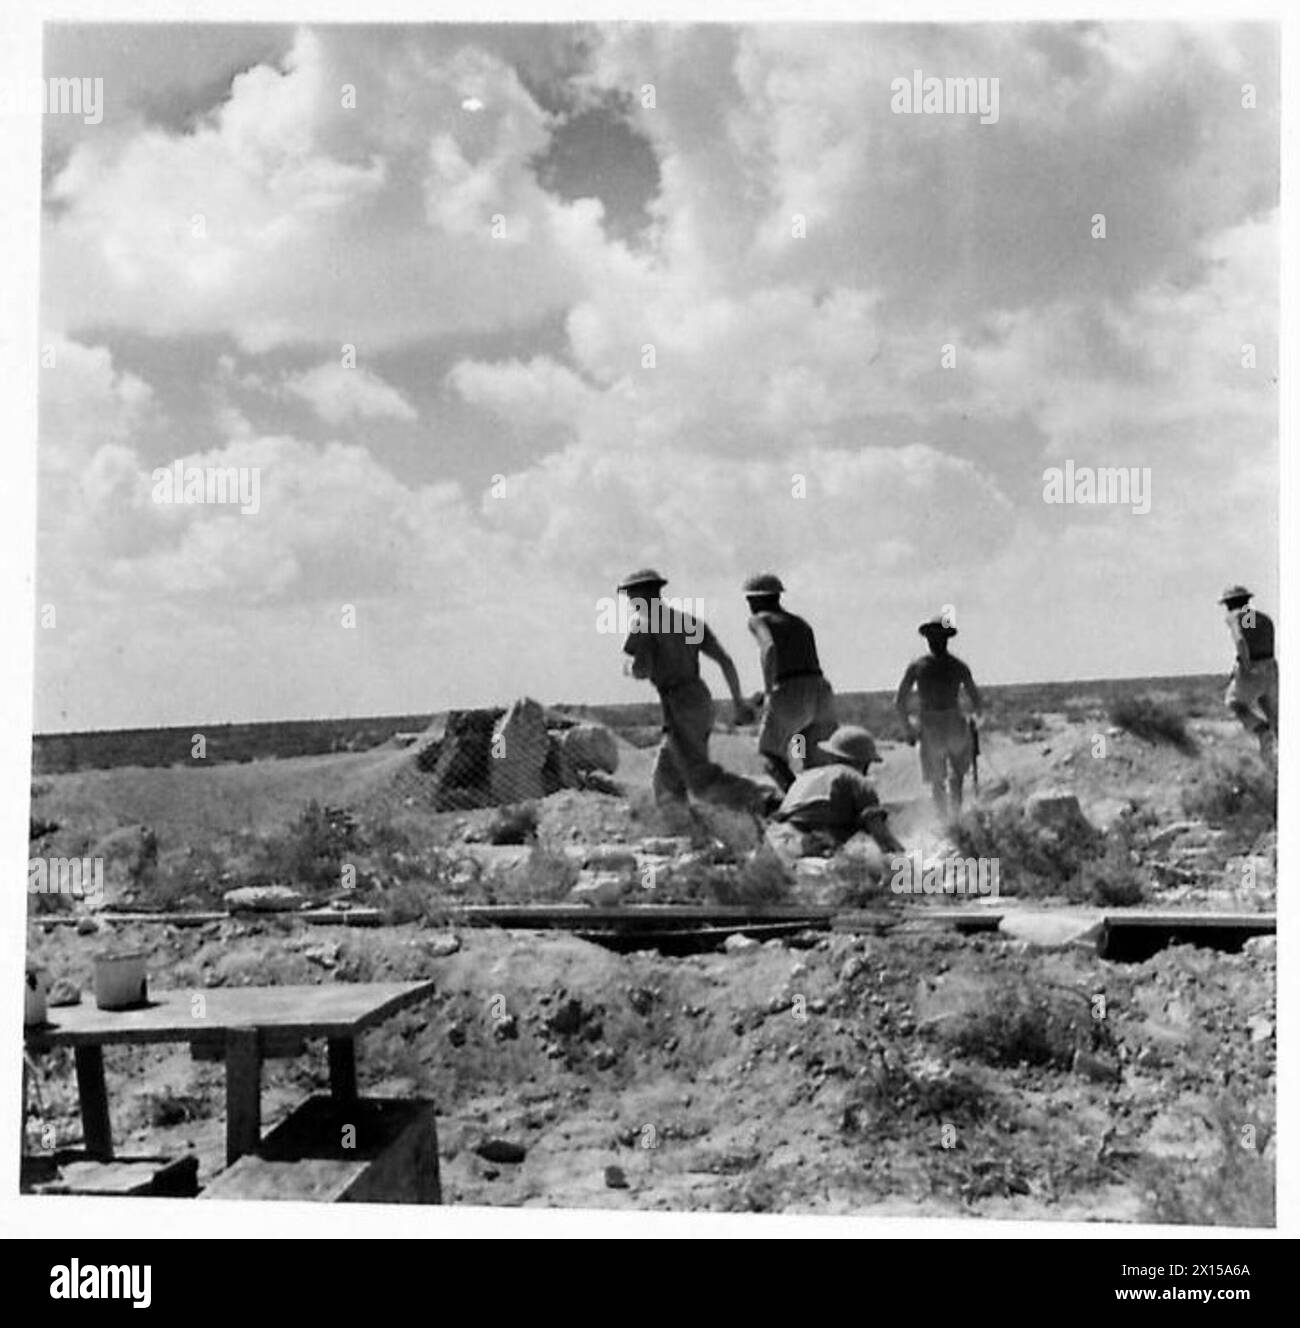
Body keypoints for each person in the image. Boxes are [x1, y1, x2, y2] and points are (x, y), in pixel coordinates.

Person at [618, 568, 768, 812]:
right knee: (669, 775)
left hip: (678, 703)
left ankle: (758, 797)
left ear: (640, 595)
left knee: (695, 778)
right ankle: (686, 831)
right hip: (699, 699)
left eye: (630, 596)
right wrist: (738, 702)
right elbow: (725, 661)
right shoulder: (687, 623)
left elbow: (642, 669)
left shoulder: (645, 625)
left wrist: (628, 668)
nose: (629, 602)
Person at [742, 573, 838, 793]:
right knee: (813, 758)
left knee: (769, 754)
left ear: (755, 600)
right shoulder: (800, 623)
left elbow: (770, 648)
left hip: (791, 691)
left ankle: (795, 798)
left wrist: (768, 693)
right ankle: (827, 804)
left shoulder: (759, 619)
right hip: (821, 690)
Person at [767, 725, 903, 863]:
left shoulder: (807, 776)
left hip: (775, 840)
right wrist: (906, 862)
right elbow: (883, 838)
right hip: (808, 847)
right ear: (865, 762)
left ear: (832, 756)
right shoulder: (857, 781)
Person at [895, 614, 983, 821]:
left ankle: (948, 821)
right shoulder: (956, 666)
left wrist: (908, 729)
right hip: (951, 724)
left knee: (940, 780)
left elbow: (900, 702)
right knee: (953, 778)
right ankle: (953, 820)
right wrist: (975, 721)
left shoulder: (919, 666)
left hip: (933, 725)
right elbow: (977, 701)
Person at [1219, 585, 1277, 757]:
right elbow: (1256, 638)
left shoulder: (1235, 616)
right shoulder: (1261, 618)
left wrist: (1245, 665)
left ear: (1229, 603)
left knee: (1233, 702)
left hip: (1253, 668)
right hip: (1271, 667)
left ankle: (1261, 729)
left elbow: (1241, 641)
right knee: (1273, 714)